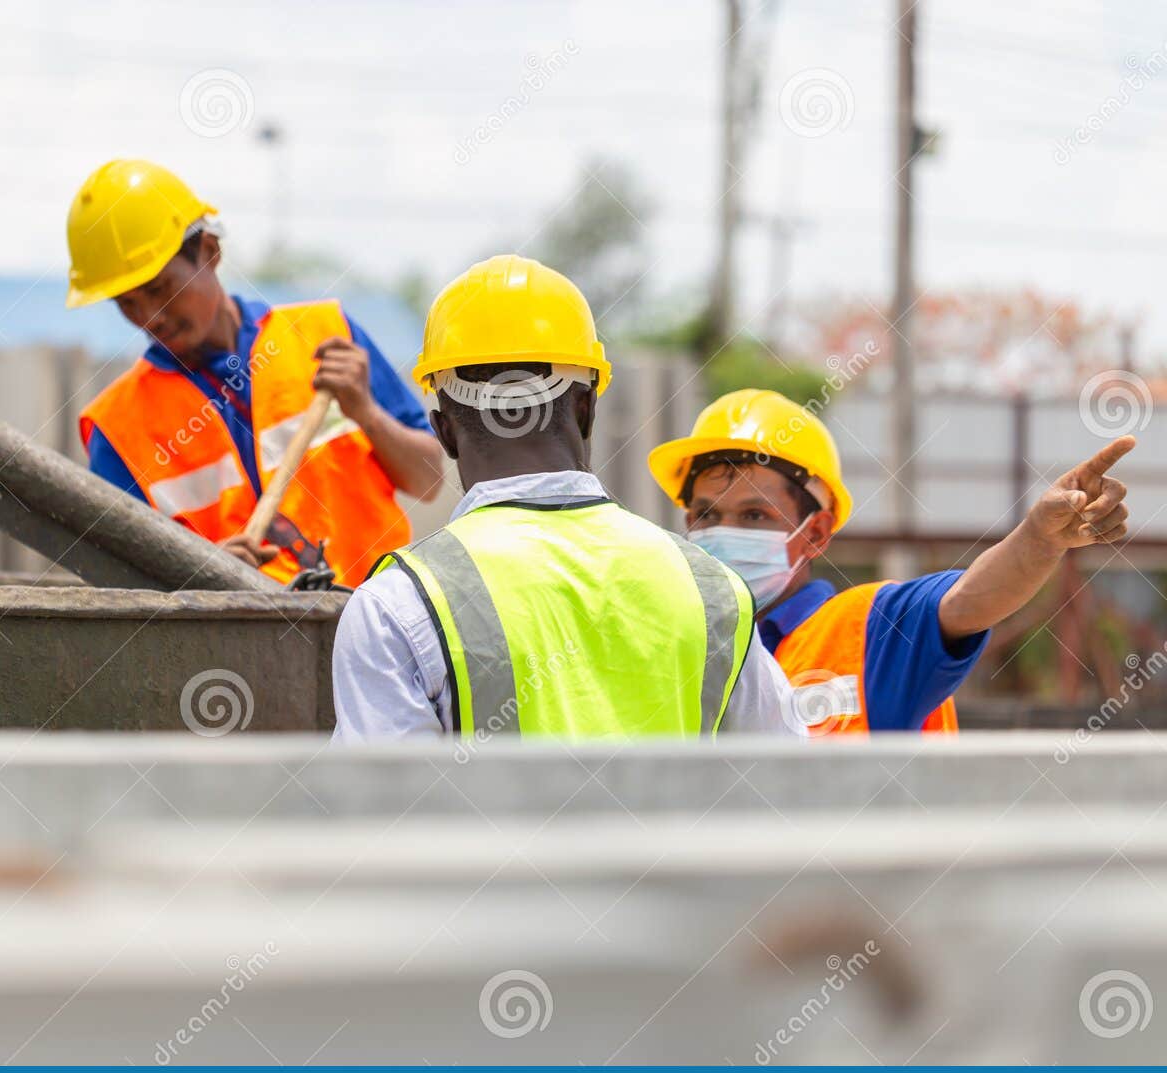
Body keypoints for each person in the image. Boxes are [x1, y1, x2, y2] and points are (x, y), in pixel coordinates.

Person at [330, 256, 803, 742]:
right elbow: (783, 790)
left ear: (445, 433)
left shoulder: (397, 606)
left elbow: (384, 809)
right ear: (586, 410)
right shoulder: (714, 593)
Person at [648, 388, 1133, 734]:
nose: (722, 533)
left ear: (815, 532)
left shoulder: (871, 629)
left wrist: (1039, 539)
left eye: (754, 514)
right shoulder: (682, 646)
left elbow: (970, 601)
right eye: (706, 515)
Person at [65, 159, 444, 587]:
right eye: (126, 302)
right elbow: (126, 592)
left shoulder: (326, 335)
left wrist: (368, 414)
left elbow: (428, 480)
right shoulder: (118, 430)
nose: (150, 317)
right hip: (238, 650)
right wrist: (198, 577)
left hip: (380, 631)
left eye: (160, 289)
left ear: (209, 251)